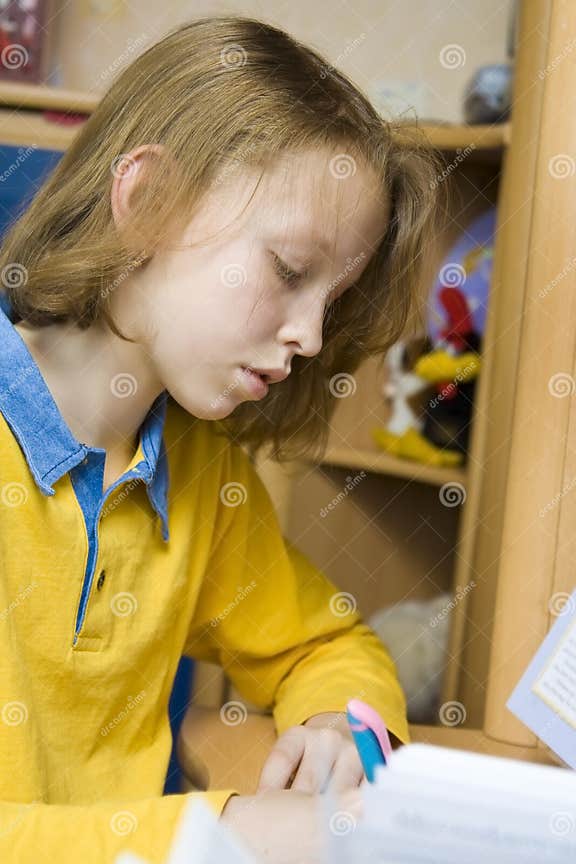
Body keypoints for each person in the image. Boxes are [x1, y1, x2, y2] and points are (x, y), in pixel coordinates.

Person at [0, 14, 442, 863]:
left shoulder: (203, 476)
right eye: (287, 271)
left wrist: (343, 728)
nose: (311, 336)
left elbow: (325, 641)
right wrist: (221, 828)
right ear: (147, 202)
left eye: (332, 300)